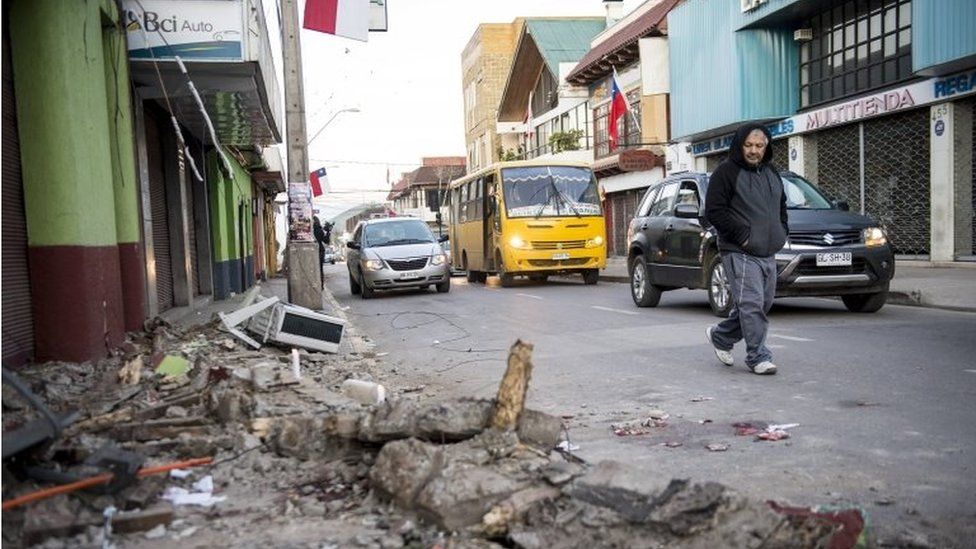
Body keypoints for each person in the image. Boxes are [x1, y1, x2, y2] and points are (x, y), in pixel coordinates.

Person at [704, 122, 788, 375]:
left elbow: (781, 206)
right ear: (740, 145)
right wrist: (742, 236)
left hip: (768, 251)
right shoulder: (726, 172)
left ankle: (721, 336)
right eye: (749, 145)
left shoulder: (772, 172)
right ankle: (758, 356)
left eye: (759, 145)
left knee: (761, 305)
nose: (754, 150)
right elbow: (714, 211)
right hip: (739, 251)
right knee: (751, 303)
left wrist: (783, 231)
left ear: (767, 146)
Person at [313, 216, 329, 288]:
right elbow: (326, 240)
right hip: (320, 250)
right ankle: (320, 285)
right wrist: (328, 232)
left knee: (317, 269)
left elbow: (326, 240)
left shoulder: (316, 230)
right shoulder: (319, 229)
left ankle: (319, 284)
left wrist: (328, 232)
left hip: (318, 251)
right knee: (319, 269)